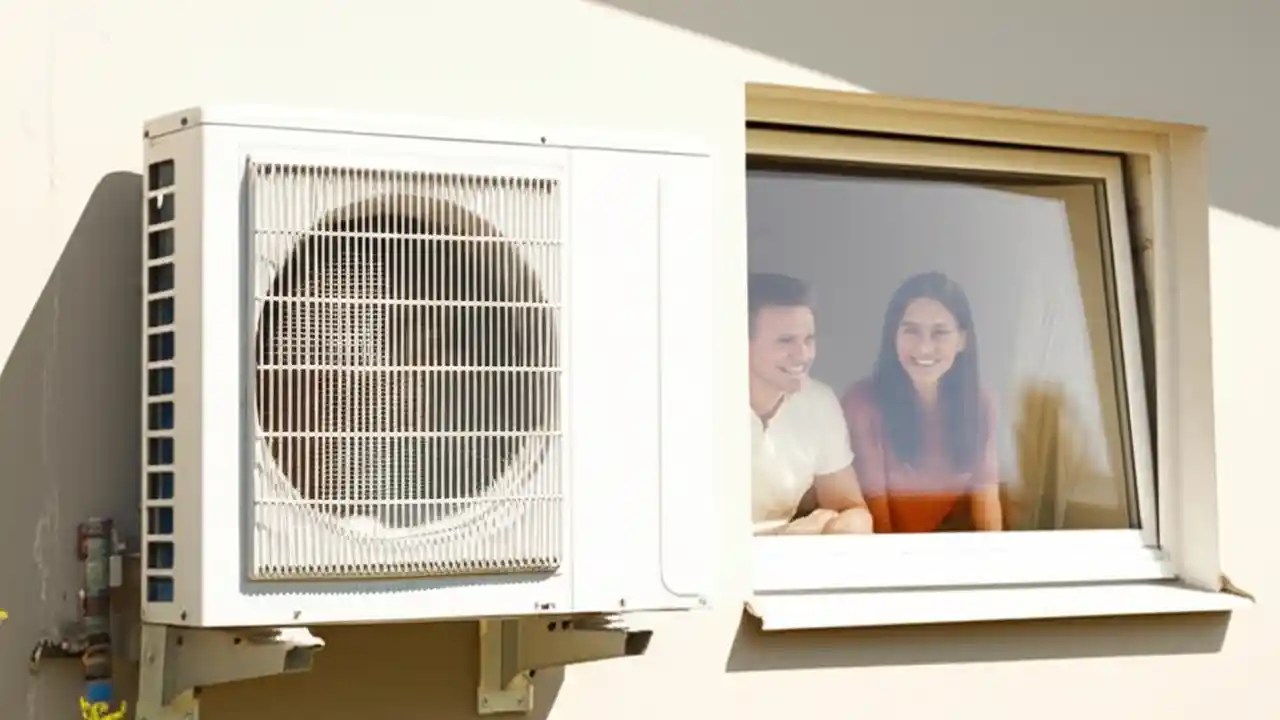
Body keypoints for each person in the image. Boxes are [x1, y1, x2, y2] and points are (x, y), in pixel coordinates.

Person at [840, 271, 1003, 533]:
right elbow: (876, 522)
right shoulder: (862, 404)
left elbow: (987, 508)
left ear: (962, 339)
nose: (924, 348)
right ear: (893, 336)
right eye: (911, 331)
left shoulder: (982, 403)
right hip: (883, 555)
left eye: (939, 333)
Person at [748, 272, 874, 535]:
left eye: (809, 340)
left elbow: (849, 508)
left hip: (792, 563)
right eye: (786, 341)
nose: (802, 355)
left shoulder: (818, 402)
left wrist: (843, 527)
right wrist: (788, 538)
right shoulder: (701, 405)